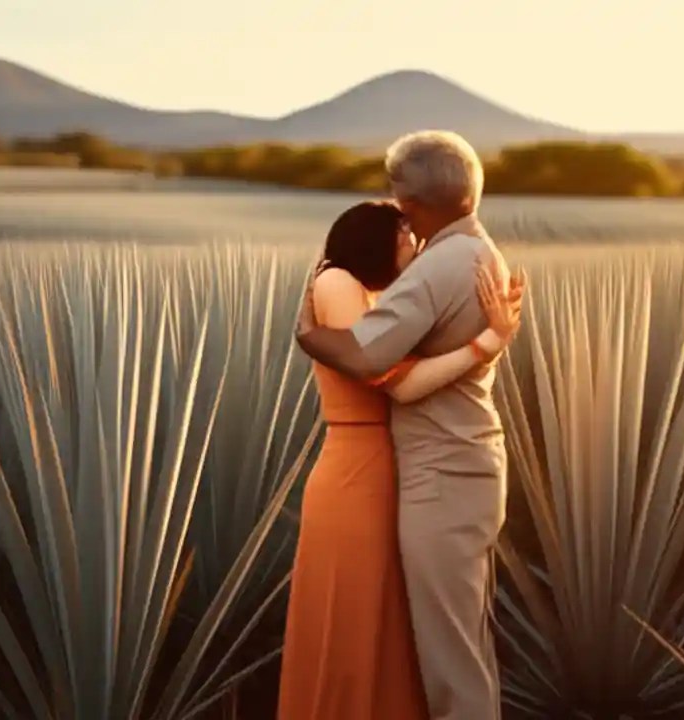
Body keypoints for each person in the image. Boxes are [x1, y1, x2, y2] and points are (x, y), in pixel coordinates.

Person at [293, 131, 517, 720]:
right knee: (456, 647)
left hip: (442, 471)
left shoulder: (442, 262)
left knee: (450, 660)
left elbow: (368, 357)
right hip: (448, 466)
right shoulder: (475, 252)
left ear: (411, 202)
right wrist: (488, 344)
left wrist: (308, 334)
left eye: (399, 202)